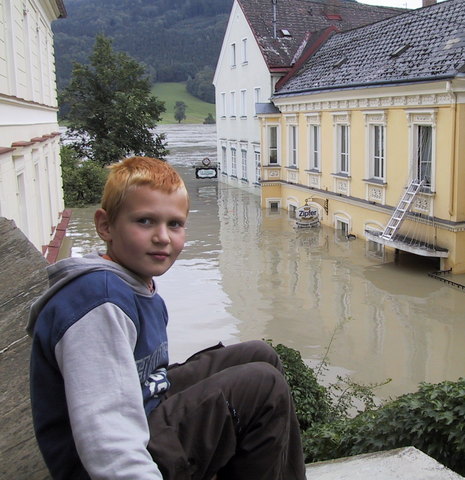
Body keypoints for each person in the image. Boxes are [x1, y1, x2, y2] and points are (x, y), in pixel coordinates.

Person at [27, 156, 306, 480]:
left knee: (260, 355)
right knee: (262, 386)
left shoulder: (133, 284)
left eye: (174, 224)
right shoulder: (98, 302)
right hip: (104, 460)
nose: (162, 237)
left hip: (145, 408)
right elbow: (105, 433)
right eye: (145, 221)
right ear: (105, 225)